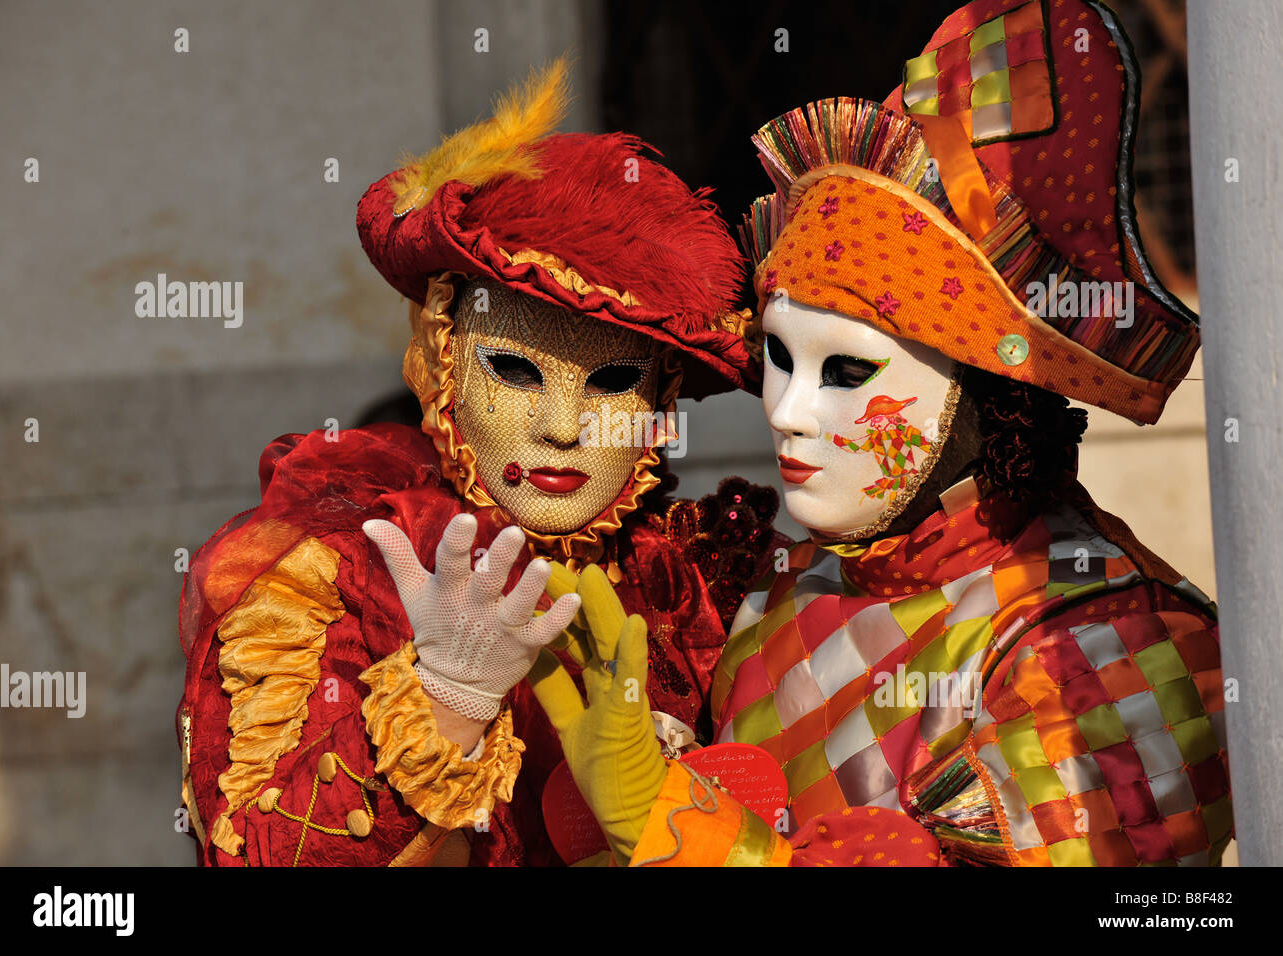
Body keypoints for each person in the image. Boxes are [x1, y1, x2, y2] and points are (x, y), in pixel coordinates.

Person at [532, 0, 1232, 867]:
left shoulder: (1111, 646)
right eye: (780, 359)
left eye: (848, 371)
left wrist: (673, 829)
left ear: (986, 394)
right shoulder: (786, 584)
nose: (786, 411)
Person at [175, 60, 786, 866]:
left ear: (662, 401)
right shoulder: (336, 569)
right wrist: (445, 700)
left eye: (610, 383)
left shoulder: (692, 584)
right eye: (516, 370)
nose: (564, 428)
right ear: (441, 360)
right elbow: (251, 853)